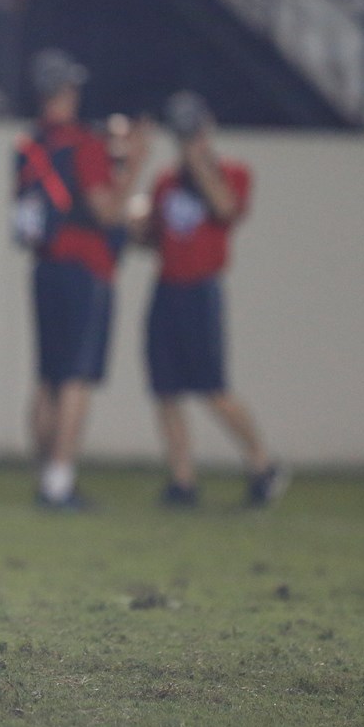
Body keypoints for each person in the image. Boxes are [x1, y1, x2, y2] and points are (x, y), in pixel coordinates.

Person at [13, 49, 148, 509]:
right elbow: (106, 210)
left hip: (44, 268)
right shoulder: (84, 143)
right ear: (66, 92)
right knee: (76, 378)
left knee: (47, 377)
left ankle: (44, 474)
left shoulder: (29, 146)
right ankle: (60, 480)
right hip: (85, 269)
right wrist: (133, 168)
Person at [138, 91, 285, 507]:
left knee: (212, 387)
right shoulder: (165, 182)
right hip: (167, 288)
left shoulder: (233, 173)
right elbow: (152, 236)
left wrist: (200, 164)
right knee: (165, 388)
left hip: (202, 289)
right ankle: (182, 479)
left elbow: (226, 209)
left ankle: (262, 462)